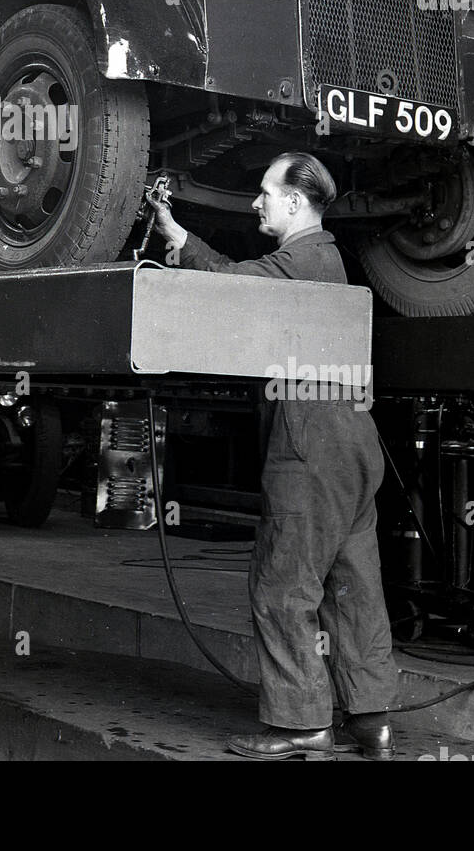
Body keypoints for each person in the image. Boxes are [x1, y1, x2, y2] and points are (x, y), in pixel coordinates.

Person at [151, 151, 398, 760]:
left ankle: (301, 723)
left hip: (310, 445)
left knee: (283, 586)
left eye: (264, 191)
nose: (256, 202)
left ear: (294, 202)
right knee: (353, 587)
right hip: (353, 445)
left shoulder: (302, 259)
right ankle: (372, 719)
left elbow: (233, 287)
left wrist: (180, 241)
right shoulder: (324, 258)